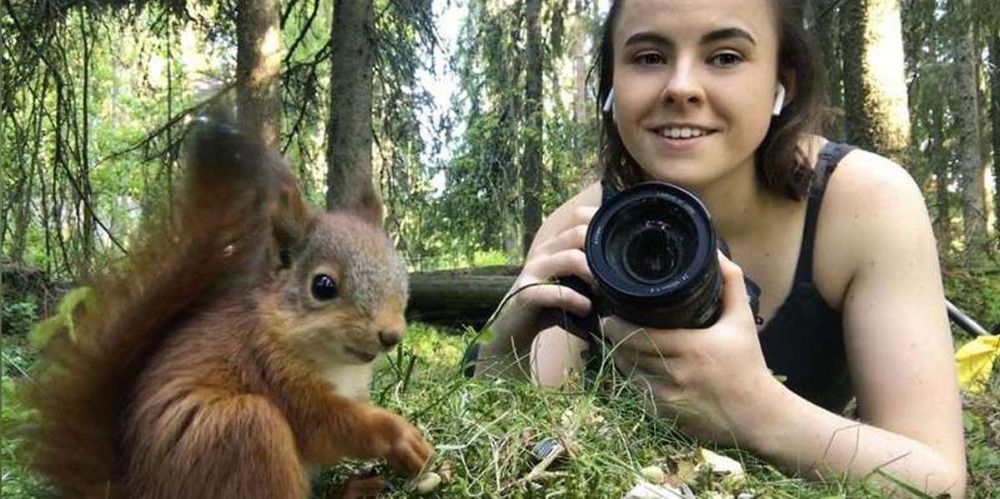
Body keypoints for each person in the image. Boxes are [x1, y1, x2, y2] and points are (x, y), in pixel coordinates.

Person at [472, 0, 967, 496]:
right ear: (610, 88)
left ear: (783, 83)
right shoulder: (583, 231)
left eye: (726, 56)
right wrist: (503, 348)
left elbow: (937, 479)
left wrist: (752, 406)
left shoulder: (864, 205)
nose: (681, 87)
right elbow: (523, 447)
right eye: (647, 57)